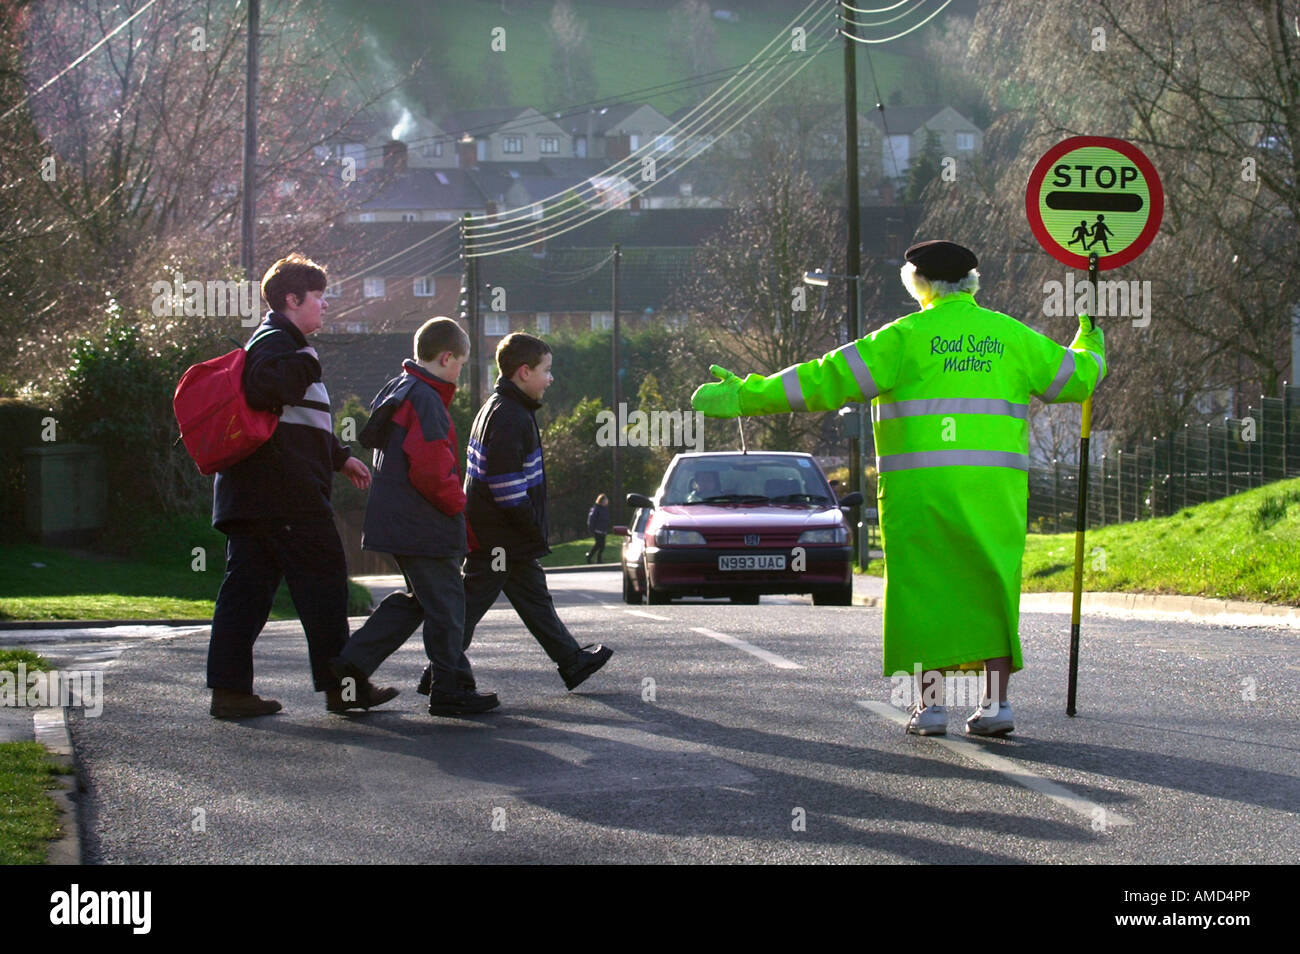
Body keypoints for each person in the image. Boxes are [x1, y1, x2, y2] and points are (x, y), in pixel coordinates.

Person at [691, 240, 1106, 737]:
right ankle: (997, 706)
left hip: (919, 492)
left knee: (922, 590)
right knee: (992, 583)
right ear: (972, 284)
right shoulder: (1011, 336)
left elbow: (824, 379)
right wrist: (1090, 344)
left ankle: (931, 709)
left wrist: (746, 395)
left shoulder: (902, 337)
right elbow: (1076, 381)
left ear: (919, 283)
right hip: (994, 491)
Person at [208, 252, 392, 719]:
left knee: (246, 596)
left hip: (257, 498)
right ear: (292, 299)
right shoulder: (278, 344)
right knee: (325, 587)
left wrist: (340, 456)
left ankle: (230, 692)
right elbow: (267, 389)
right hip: (286, 498)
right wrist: (308, 360)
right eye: (318, 297)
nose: (325, 306)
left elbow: (295, 423)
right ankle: (343, 690)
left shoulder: (275, 344)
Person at [417, 332, 613, 695]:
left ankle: (570, 660)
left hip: (499, 534)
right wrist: (531, 529)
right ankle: (441, 672)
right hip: (500, 535)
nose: (550, 379)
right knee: (472, 602)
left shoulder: (500, 407)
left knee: (531, 598)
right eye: (546, 370)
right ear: (524, 372)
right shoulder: (511, 416)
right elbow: (506, 484)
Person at [328, 318, 499, 717]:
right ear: (446, 357)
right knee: (448, 602)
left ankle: (350, 667)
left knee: (420, 601)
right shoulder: (426, 399)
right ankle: (451, 686)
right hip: (422, 524)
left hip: (396, 520)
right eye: (461, 363)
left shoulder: (400, 388)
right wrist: (458, 506)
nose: (461, 371)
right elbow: (432, 469)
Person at [585, 493, 610, 563]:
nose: (606, 502)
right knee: (598, 544)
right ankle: (590, 556)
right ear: (601, 501)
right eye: (605, 500)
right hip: (597, 530)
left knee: (602, 546)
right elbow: (591, 519)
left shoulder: (605, 509)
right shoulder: (596, 508)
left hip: (603, 530)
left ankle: (598, 559)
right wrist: (591, 529)